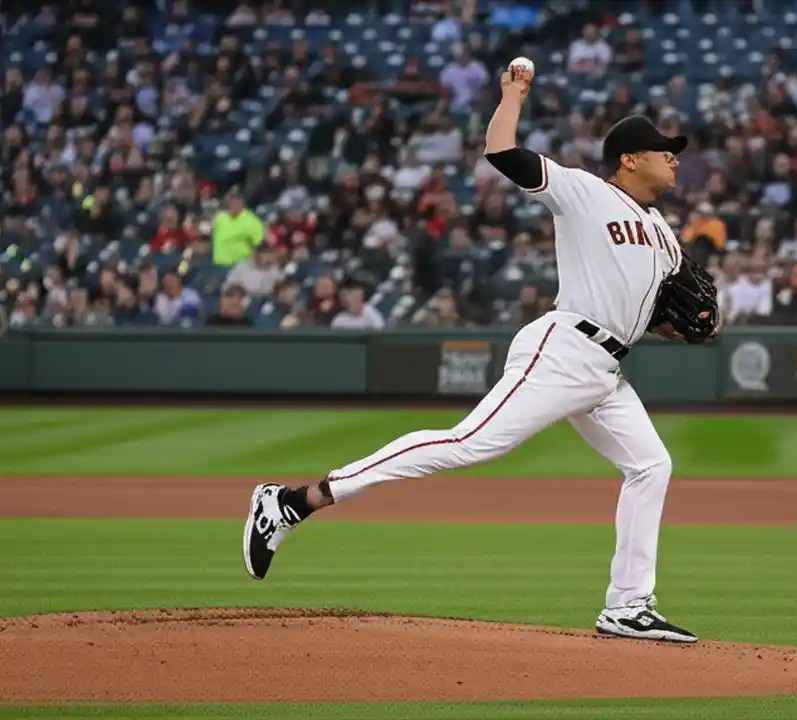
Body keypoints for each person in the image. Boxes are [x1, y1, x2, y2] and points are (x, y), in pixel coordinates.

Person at [243, 63, 705, 643]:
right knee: (468, 443)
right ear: (630, 159)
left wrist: (692, 328)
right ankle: (293, 502)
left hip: (607, 369)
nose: (675, 158)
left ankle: (628, 605)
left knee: (650, 465)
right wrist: (512, 95)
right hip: (563, 349)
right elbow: (501, 152)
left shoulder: (664, 232)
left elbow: (665, 316)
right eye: (664, 150)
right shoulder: (587, 192)